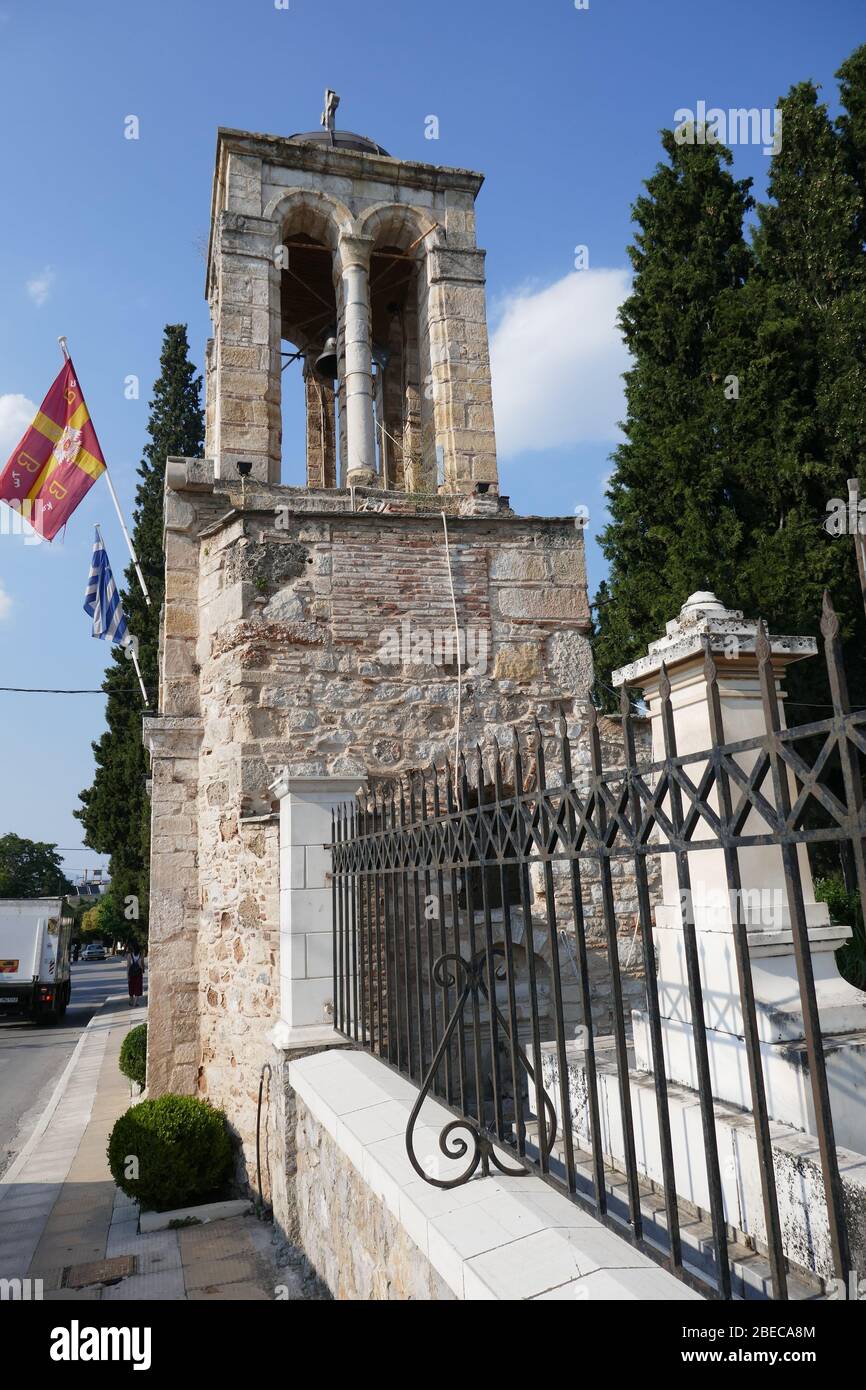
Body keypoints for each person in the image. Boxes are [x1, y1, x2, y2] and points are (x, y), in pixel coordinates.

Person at [126, 942, 144, 1008]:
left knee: (131, 987)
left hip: (131, 974)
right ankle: (135, 1003)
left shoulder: (129, 955)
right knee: (138, 988)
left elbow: (128, 966)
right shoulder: (141, 955)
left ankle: (131, 1002)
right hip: (139, 974)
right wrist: (140, 966)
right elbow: (142, 966)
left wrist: (127, 976)